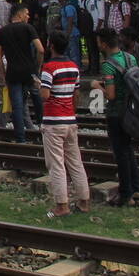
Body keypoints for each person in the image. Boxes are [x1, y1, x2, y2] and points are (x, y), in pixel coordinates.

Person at [91, 28, 139, 205]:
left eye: (99, 41)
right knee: (128, 149)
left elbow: (111, 95)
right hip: (132, 110)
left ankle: (125, 194)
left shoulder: (108, 65)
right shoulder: (130, 58)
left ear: (104, 44)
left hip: (116, 113)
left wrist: (97, 87)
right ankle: (136, 188)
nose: (98, 44)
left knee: (120, 153)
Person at [39, 31, 88, 218]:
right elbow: (76, 94)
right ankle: (84, 200)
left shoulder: (49, 68)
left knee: (56, 164)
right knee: (75, 162)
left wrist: (38, 85)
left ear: (51, 46)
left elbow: (45, 95)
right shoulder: (73, 67)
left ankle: (62, 204)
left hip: (53, 121)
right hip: (70, 119)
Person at [0, 4, 44, 143]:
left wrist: (2, 72)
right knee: (37, 98)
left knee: (17, 106)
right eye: (27, 13)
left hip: (13, 72)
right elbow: (40, 50)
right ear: (19, 14)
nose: (28, 16)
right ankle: (42, 127)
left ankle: (20, 138)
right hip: (29, 72)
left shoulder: (2, 31)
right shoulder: (28, 28)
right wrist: (37, 68)